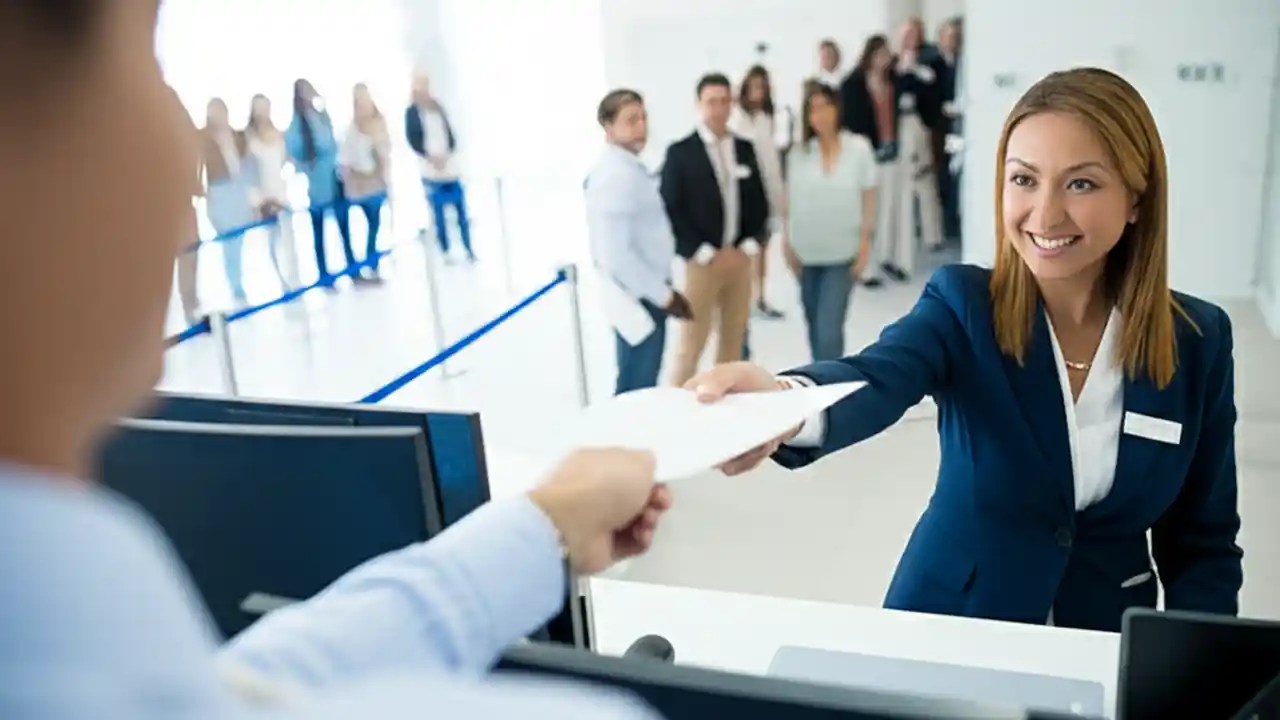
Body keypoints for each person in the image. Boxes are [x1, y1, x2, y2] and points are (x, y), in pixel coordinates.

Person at [0, 7, 672, 719]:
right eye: (149, 53)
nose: (175, 139)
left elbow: (248, 687)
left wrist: (545, 526)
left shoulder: (72, 620)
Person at [688, 68, 1242, 634]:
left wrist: (1194, 674)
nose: (1045, 215)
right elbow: (878, 378)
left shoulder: (1199, 341)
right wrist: (781, 404)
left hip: (1105, 634)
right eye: (1024, 180)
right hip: (956, 620)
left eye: (1081, 184)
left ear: (1136, 201)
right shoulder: (964, 305)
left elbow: (1205, 544)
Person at [660, 73, 769, 386]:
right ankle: (674, 413)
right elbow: (671, 211)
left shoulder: (745, 148)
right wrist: (706, 253)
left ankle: (725, 415)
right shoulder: (680, 153)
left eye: (724, 101)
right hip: (701, 265)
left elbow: (759, 204)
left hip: (740, 261)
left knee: (733, 345)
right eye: (711, 102)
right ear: (699, 105)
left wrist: (746, 248)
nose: (719, 109)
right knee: (691, 345)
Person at [586, 89, 693, 395]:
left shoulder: (628, 168)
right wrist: (664, 296)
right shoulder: (616, 177)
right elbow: (616, 256)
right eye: (630, 120)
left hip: (644, 293)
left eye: (643, 118)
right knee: (636, 387)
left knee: (639, 381)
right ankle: (623, 442)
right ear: (608, 128)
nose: (641, 126)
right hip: (640, 298)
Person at [782, 83, 878, 362]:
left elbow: (869, 198)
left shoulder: (858, 148)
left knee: (829, 330)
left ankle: (830, 392)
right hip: (805, 253)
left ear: (837, 108)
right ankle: (820, 384)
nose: (820, 115)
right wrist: (787, 243)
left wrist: (864, 246)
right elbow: (790, 203)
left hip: (842, 253)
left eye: (825, 106)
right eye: (813, 109)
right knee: (813, 328)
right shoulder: (798, 154)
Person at [730, 65, 787, 320]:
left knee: (764, 248)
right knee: (745, 251)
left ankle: (760, 297)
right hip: (746, 194)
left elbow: (771, 160)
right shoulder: (737, 120)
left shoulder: (767, 117)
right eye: (753, 87)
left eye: (762, 87)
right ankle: (742, 299)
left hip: (768, 190)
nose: (758, 92)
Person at [286, 78, 354, 287]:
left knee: (344, 228)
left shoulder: (321, 116)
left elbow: (332, 143)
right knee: (319, 232)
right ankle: (324, 275)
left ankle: (352, 268)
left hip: (334, 180)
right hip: (315, 185)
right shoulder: (297, 126)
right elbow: (296, 153)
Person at [406, 71, 474, 263]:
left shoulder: (438, 107)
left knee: (461, 210)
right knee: (438, 213)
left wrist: (447, 154)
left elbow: (450, 134)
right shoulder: (412, 112)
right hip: (430, 169)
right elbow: (413, 139)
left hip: (449, 168)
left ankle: (468, 247)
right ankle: (445, 249)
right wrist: (431, 157)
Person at [199, 98, 255, 305]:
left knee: (239, 239)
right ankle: (235, 285)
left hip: (237, 189)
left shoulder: (236, 135)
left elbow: (246, 163)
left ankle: (239, 280)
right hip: (219, 191)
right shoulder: (203, 138)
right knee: (228, 239)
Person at [245, 93, 301, 291]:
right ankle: (281, 280)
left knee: (289, 238)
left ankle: (295, 278)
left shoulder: (278, 134)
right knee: (272, 240)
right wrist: (256, 201)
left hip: (281, 191)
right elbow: (248, 173)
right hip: (264, 196)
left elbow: (286, 161)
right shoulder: (249, 138)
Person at [340, 83, 391, 283]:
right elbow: (346, 160)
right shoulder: (352, 129)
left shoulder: (380, 124)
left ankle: (373, 261)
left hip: (377, 182)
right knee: (367, 224)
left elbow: (386, 152)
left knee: (375, 224)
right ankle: (365, 265)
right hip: (361, 185)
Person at [930, 17, 963, 245]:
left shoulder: (964, 61)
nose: (954, 41)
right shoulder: (932, 63)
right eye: (950, 37)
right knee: (943, 172)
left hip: (958, 126)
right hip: (940, 128)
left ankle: (954, 221)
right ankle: (947, 224)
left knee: (956, 171)